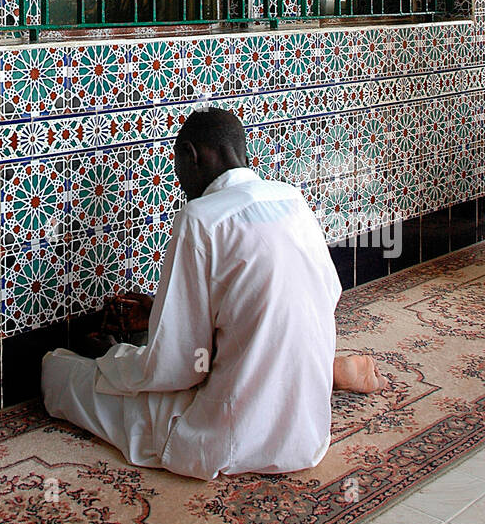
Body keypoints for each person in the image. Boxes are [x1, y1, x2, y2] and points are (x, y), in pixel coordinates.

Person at [42, 108, 384, 480]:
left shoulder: (200, 217)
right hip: (306, 430)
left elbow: (179, 368)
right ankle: (328, 372)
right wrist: (160, 311)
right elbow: (304, 297)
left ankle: (78, 367)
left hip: (233, 438)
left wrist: (113, 357)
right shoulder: (291, 199)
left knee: (58, 372)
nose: (179, 179)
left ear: (192, 154)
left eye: (177, 165)